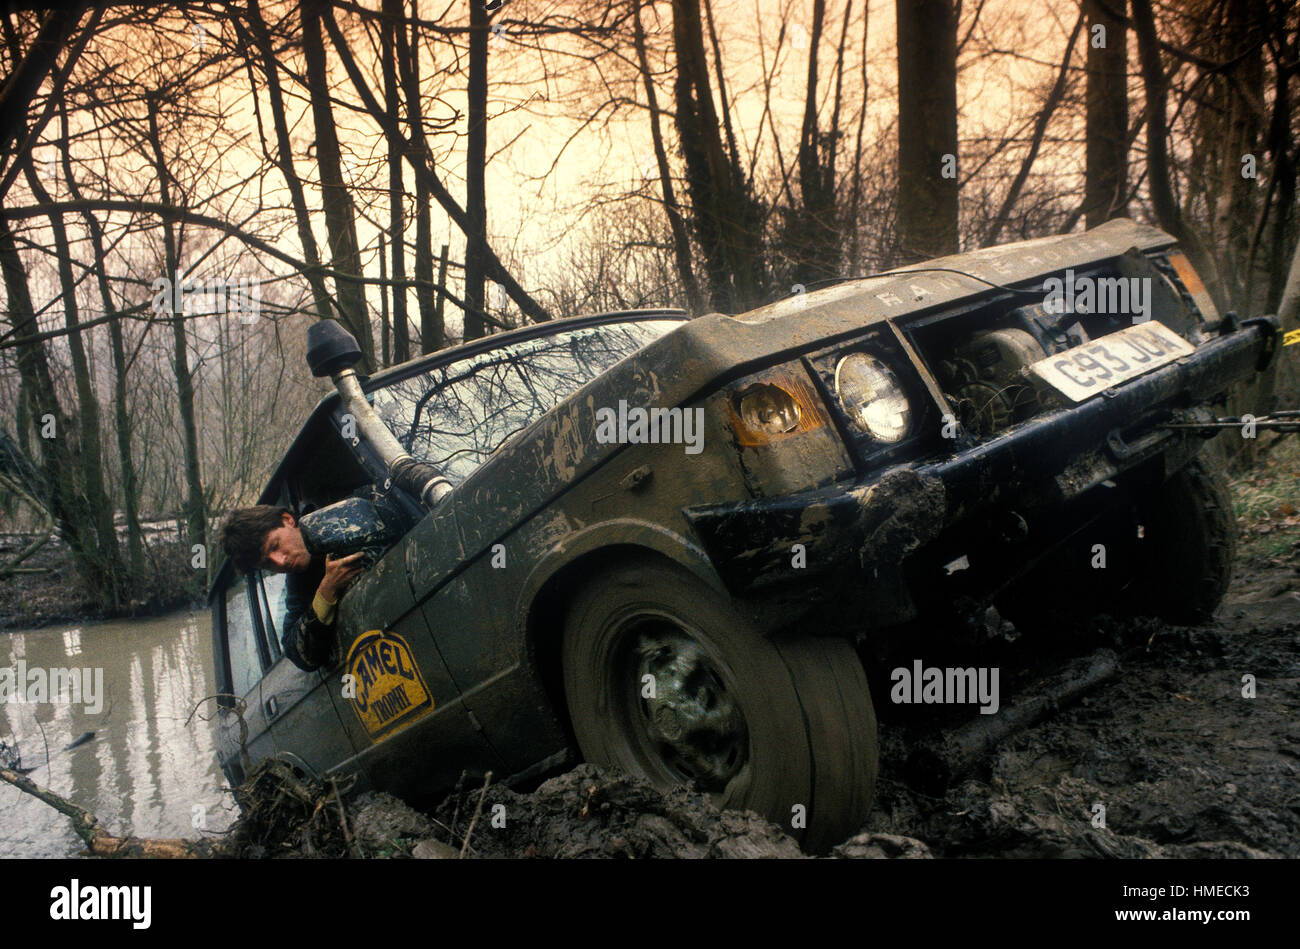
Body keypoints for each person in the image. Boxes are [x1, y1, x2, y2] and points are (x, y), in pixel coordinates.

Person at [218, 506, 365, 672]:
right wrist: (326, 591)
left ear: (288, 519)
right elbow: (299, 654)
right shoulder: (299, 582)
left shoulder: (343, 512)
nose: (280, 562)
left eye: (275, 545)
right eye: (267, 563)